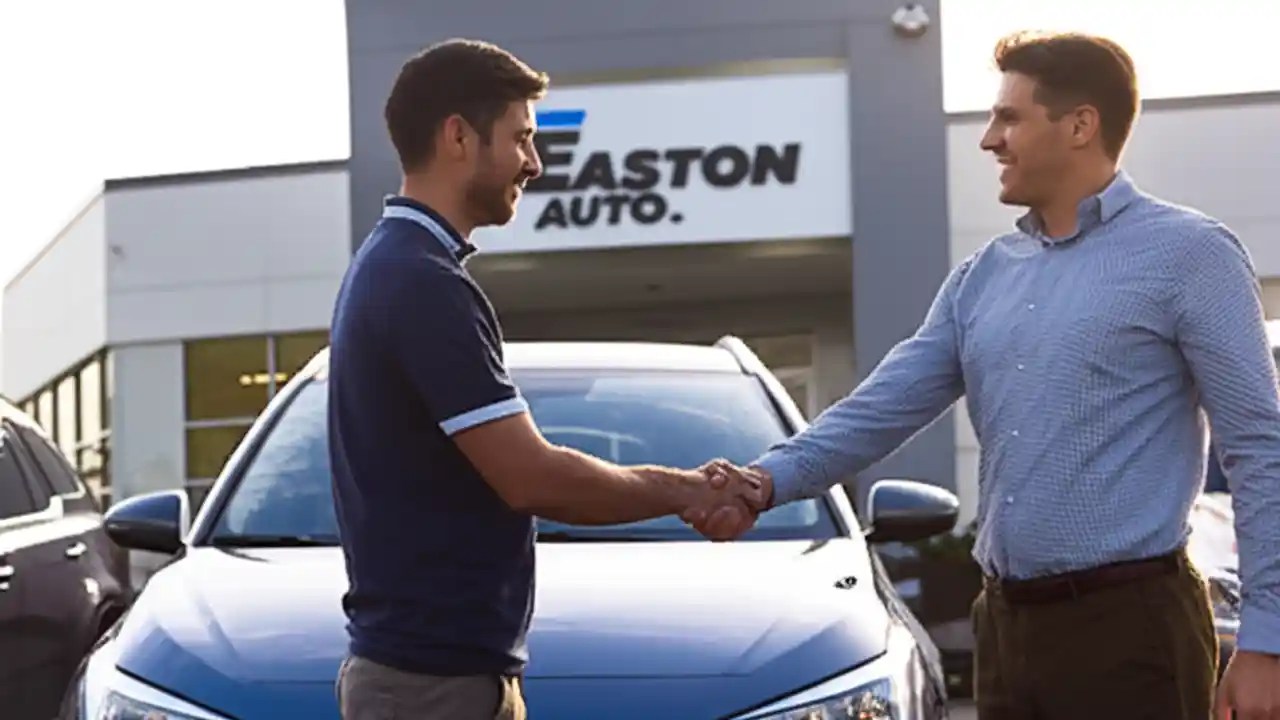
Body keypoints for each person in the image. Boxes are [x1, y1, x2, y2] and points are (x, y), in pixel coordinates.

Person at [690, 31, 1280, 720]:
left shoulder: (1190, 256)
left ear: (1081, 125)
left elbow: (1260, 451)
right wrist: (763, 482)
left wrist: (1267, 644)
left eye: (1009, 117)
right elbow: (883, 406)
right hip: (1005, 627)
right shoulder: (983, 278)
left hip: (1133, 630)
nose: (988, 140)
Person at [326, 38, 765, 720]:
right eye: (522, 138)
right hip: (433, 686)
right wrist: (683, 488)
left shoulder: (395, 267)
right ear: (458, 137)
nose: (534, 163)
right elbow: (531, 478)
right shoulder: (421, 282)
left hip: (429, 674)